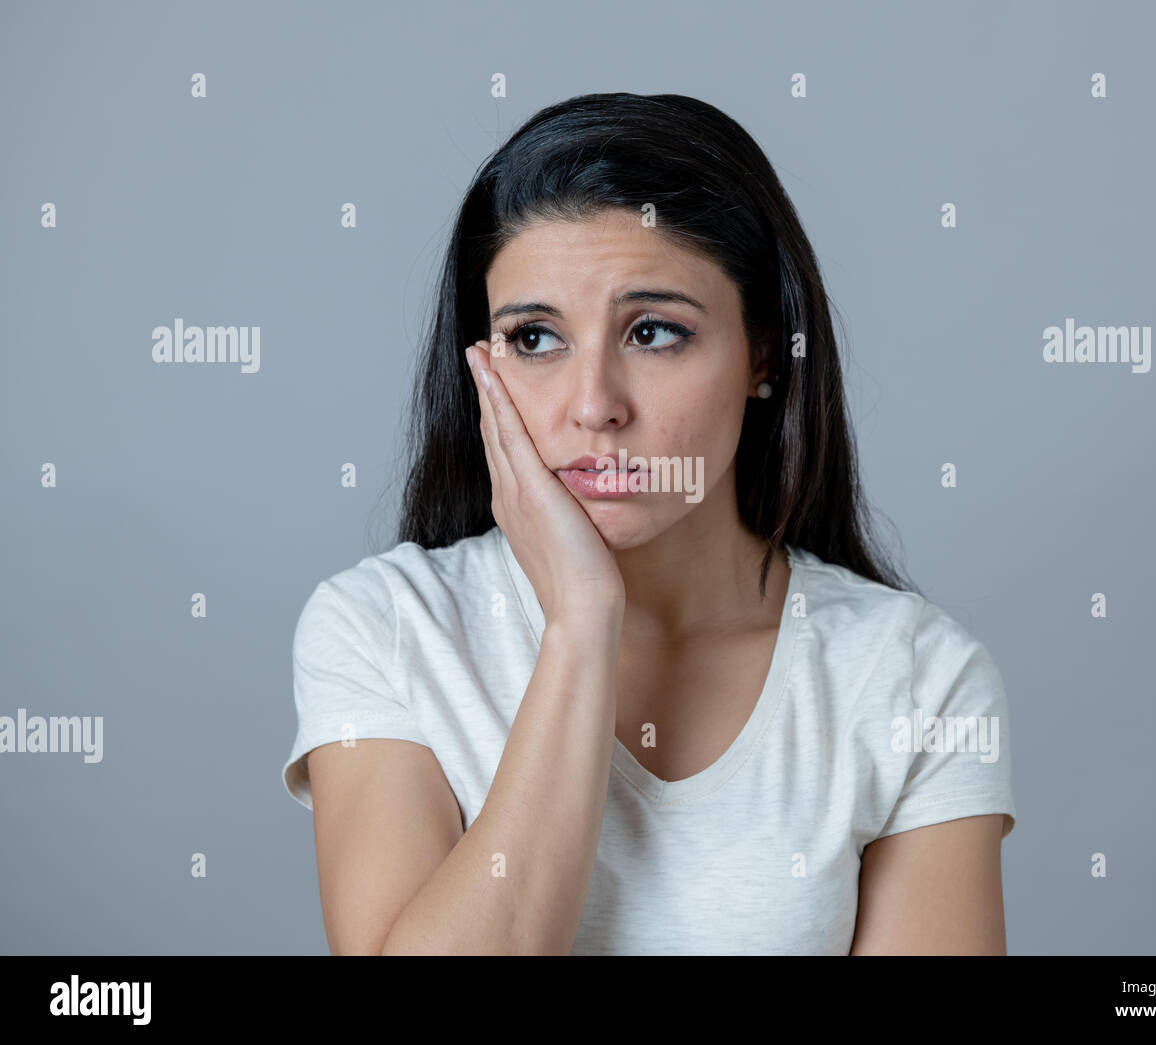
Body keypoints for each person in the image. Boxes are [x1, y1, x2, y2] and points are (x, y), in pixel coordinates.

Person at [281, 92, 1016, 955]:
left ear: (766, 357)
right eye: (534, 339)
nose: (594, 405)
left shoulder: (917, 681)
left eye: (655, 331)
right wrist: (581, 626)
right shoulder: (384, 631)